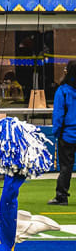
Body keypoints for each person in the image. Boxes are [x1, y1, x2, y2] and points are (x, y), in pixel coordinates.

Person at [51, 60, 76, 205]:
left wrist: (56, 132)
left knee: (66, 167)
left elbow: (58, 115)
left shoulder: (63, 91)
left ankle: (61, 196)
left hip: (67, 135)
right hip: (68, 133)